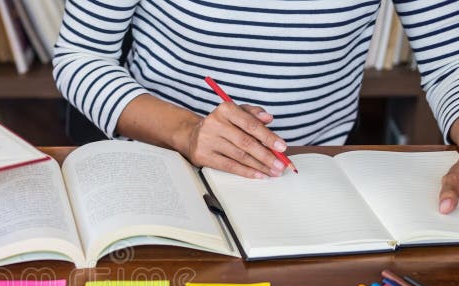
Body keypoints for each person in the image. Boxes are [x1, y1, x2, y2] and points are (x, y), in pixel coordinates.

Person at [53, 1, 459, 213]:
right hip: (162, 168)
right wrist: (187, 131)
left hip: (308, 175)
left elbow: (449, 61)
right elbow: (79, 54)